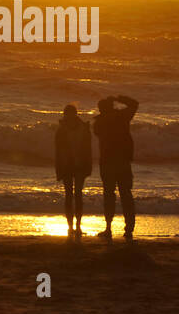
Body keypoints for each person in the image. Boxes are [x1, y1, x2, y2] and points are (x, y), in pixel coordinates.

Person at [92, 94, 138, 241]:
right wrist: (119, 98)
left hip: (107, 163)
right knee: (126, 195)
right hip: (122, 162)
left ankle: (108, 228)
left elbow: (98, 132)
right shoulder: (122, 117)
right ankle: (129, 229)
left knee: (109, 195)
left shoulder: (99, 122)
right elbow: (134, 103)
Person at [54, 104, 93, 239]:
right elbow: (58, 152)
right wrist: (59, 169)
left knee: (77, 195)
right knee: (70, 195)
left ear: (75, 114)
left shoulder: (83, 128)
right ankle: (71, 227)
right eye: (67, 114)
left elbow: (88, 150)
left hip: (80, 165)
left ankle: (78, 226)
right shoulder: (62, 130)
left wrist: (88, 166)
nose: (68, 117)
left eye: (70, 114)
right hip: (67, 166)